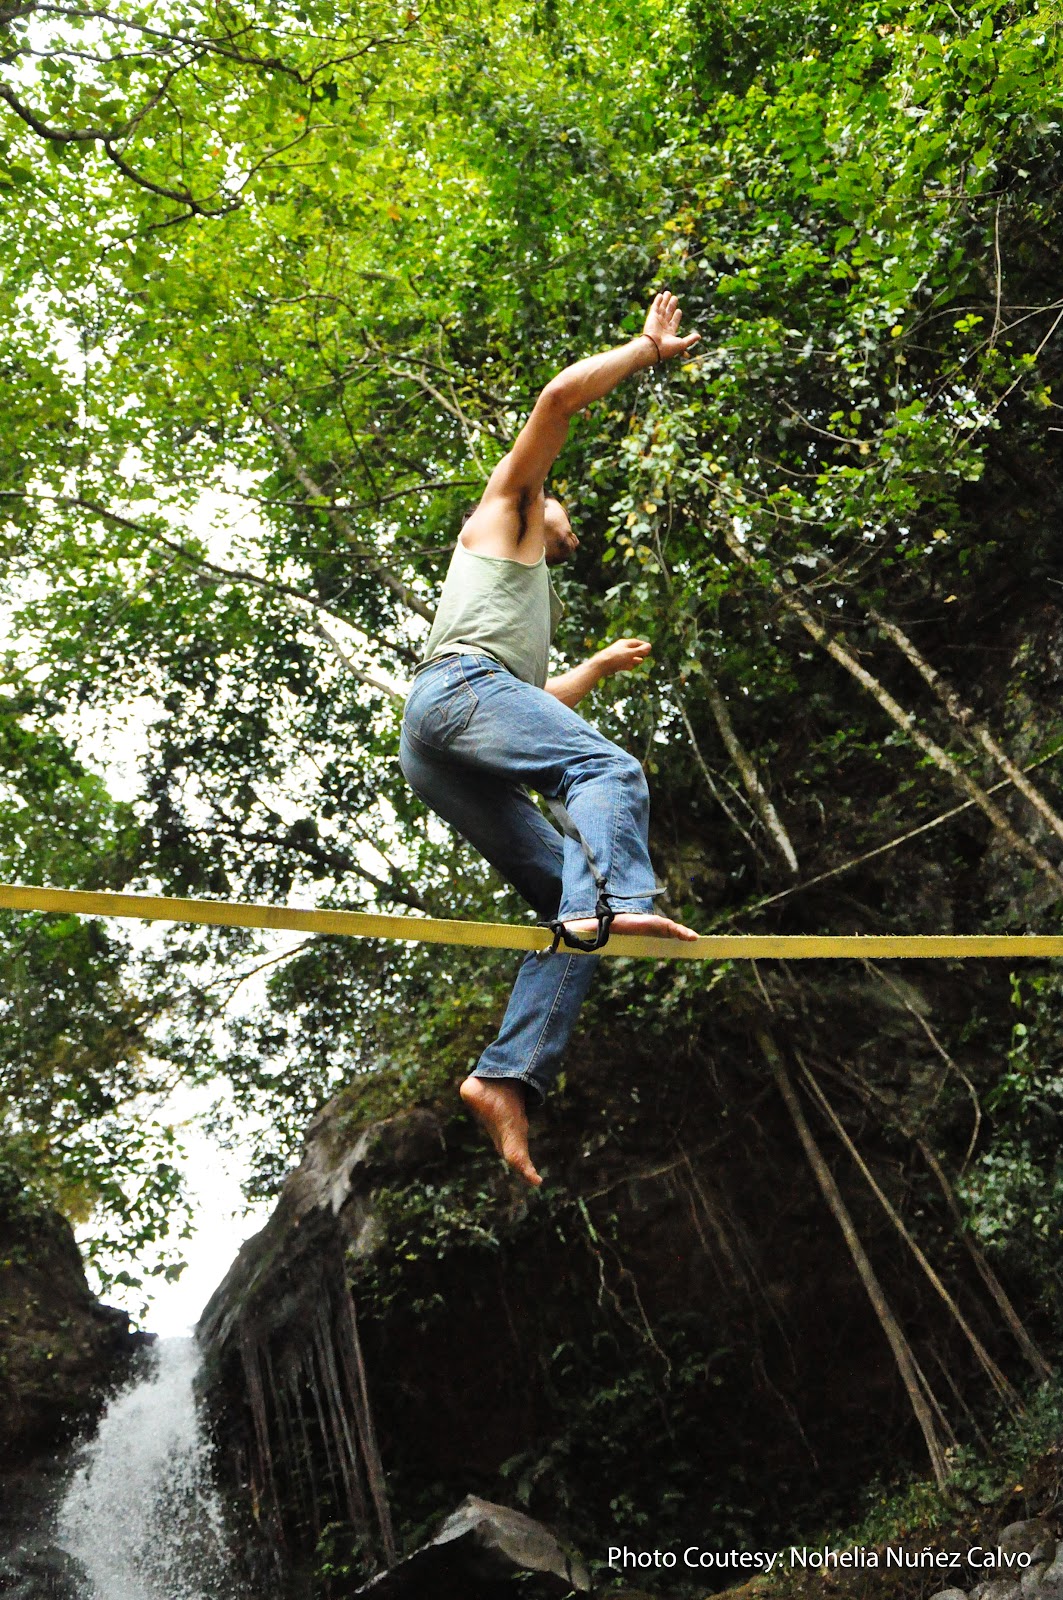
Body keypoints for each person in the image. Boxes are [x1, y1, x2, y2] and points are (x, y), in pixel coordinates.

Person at [399, 291, 701, 1186]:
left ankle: (502, 1078)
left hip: (447, 732)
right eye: (571, 513)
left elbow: (524, 706)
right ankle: (616, 896)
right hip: (455, 692)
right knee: (607, 768)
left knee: (572, 906)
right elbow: (553, 405)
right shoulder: (511, 507)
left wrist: (596, 670)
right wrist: (644, 352)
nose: (576, 526)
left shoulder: (525, 589)